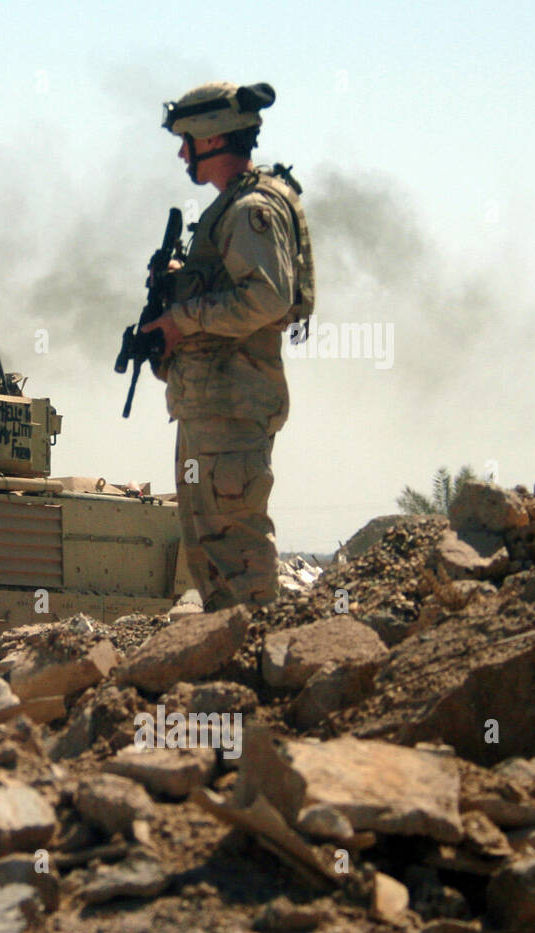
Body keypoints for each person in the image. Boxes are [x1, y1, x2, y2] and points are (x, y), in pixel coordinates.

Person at [139, 81, 315, 611]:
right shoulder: (233, 209)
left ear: (212, 139)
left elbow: (267, 296)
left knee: (236, 552)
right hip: (212, 407)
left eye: (186, 140)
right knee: (210, 555)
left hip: (232, 408)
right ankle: (235, 677)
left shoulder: (249, 209)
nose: (181, 152)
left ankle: (259, 671)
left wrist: (181, 319)